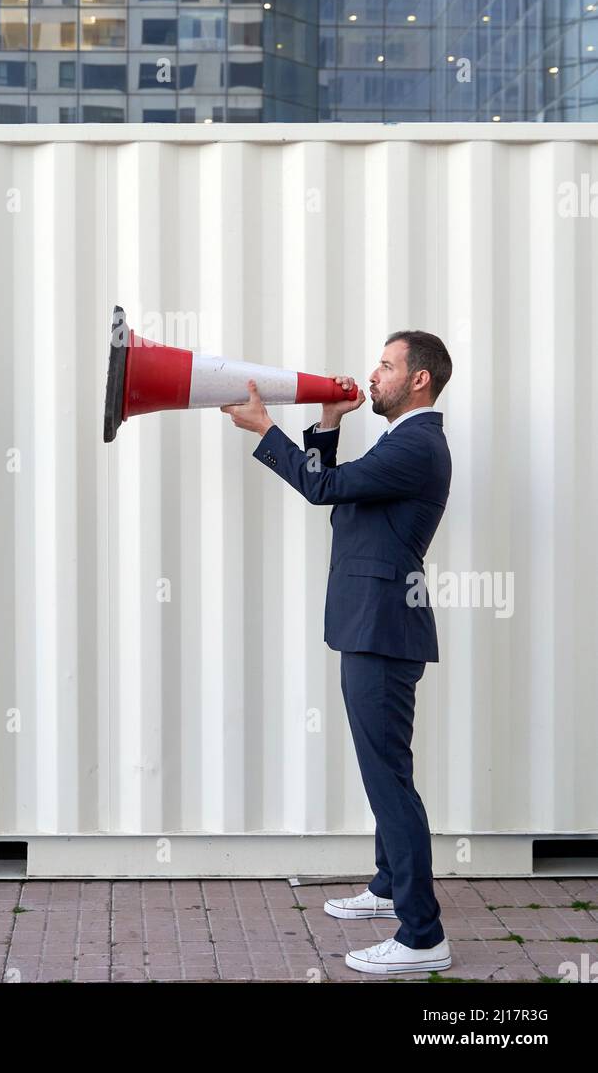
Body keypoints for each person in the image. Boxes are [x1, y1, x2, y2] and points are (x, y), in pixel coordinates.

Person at [221, 330, 453, 975]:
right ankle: (388, 888)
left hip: (381, 630)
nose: (371, 374)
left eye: (386, 365)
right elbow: (339, 497)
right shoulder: (402, 443)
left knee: (388, 782)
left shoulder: (417, 444)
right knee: (389, 770)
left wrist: (267, 429)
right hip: (372, 625)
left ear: (419, 381)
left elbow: (322, 490)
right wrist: (326, 423)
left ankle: (422, 938)